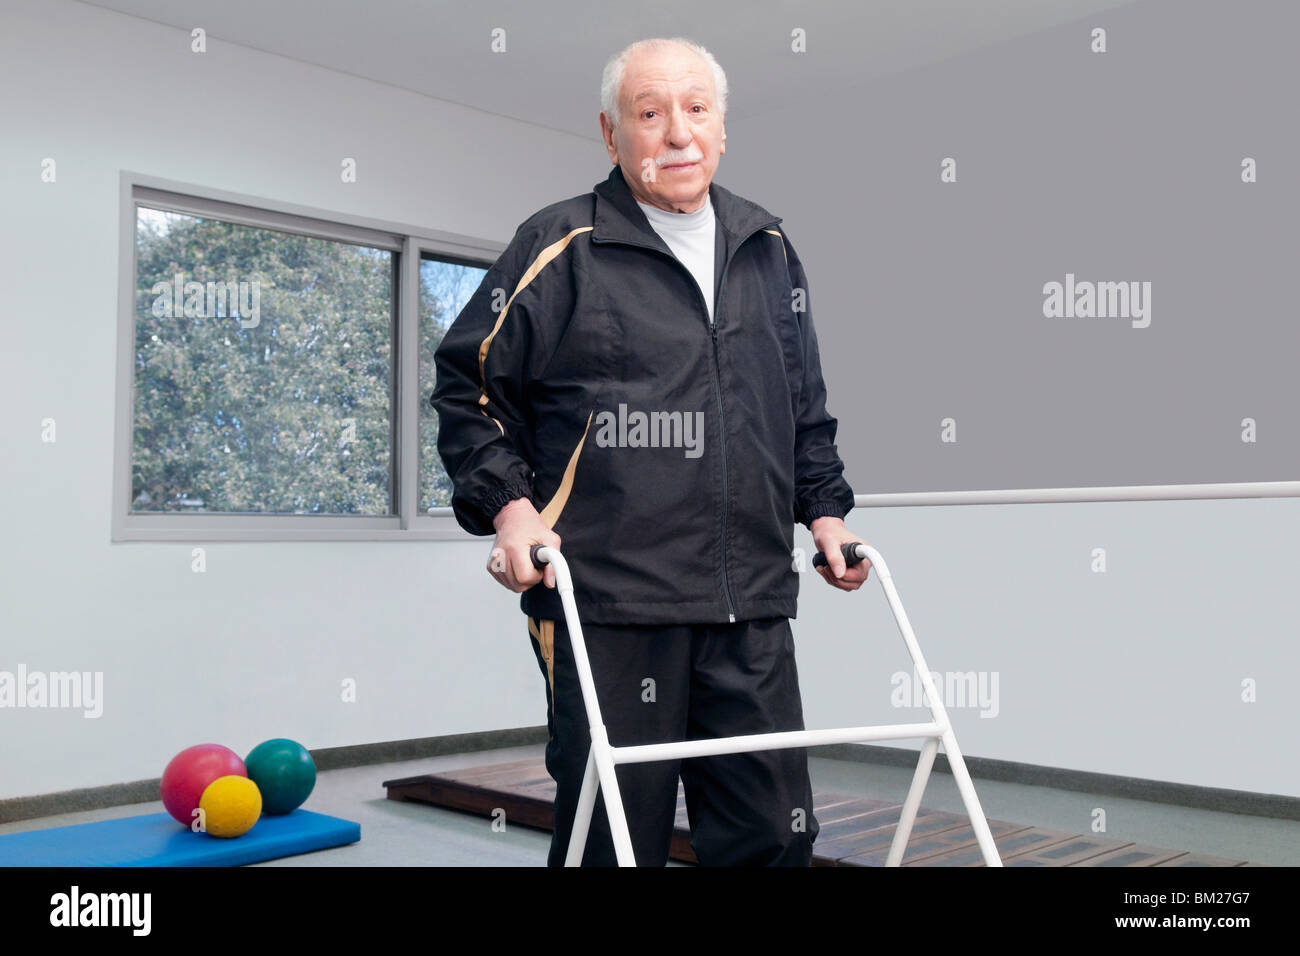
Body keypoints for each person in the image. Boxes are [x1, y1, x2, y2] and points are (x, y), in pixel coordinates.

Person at [431, 36, 869, 867]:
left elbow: (803, 406)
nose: (678, 134)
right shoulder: (560, 244)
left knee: (774, 839)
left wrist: (826, 514)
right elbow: (469, 387)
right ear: (611, 134)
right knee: (610, 841)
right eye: (650, 112)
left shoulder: (768, 250)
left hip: (750, 602)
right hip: (610, 605)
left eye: (697, 109)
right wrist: (512, 513)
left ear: (723, 126)